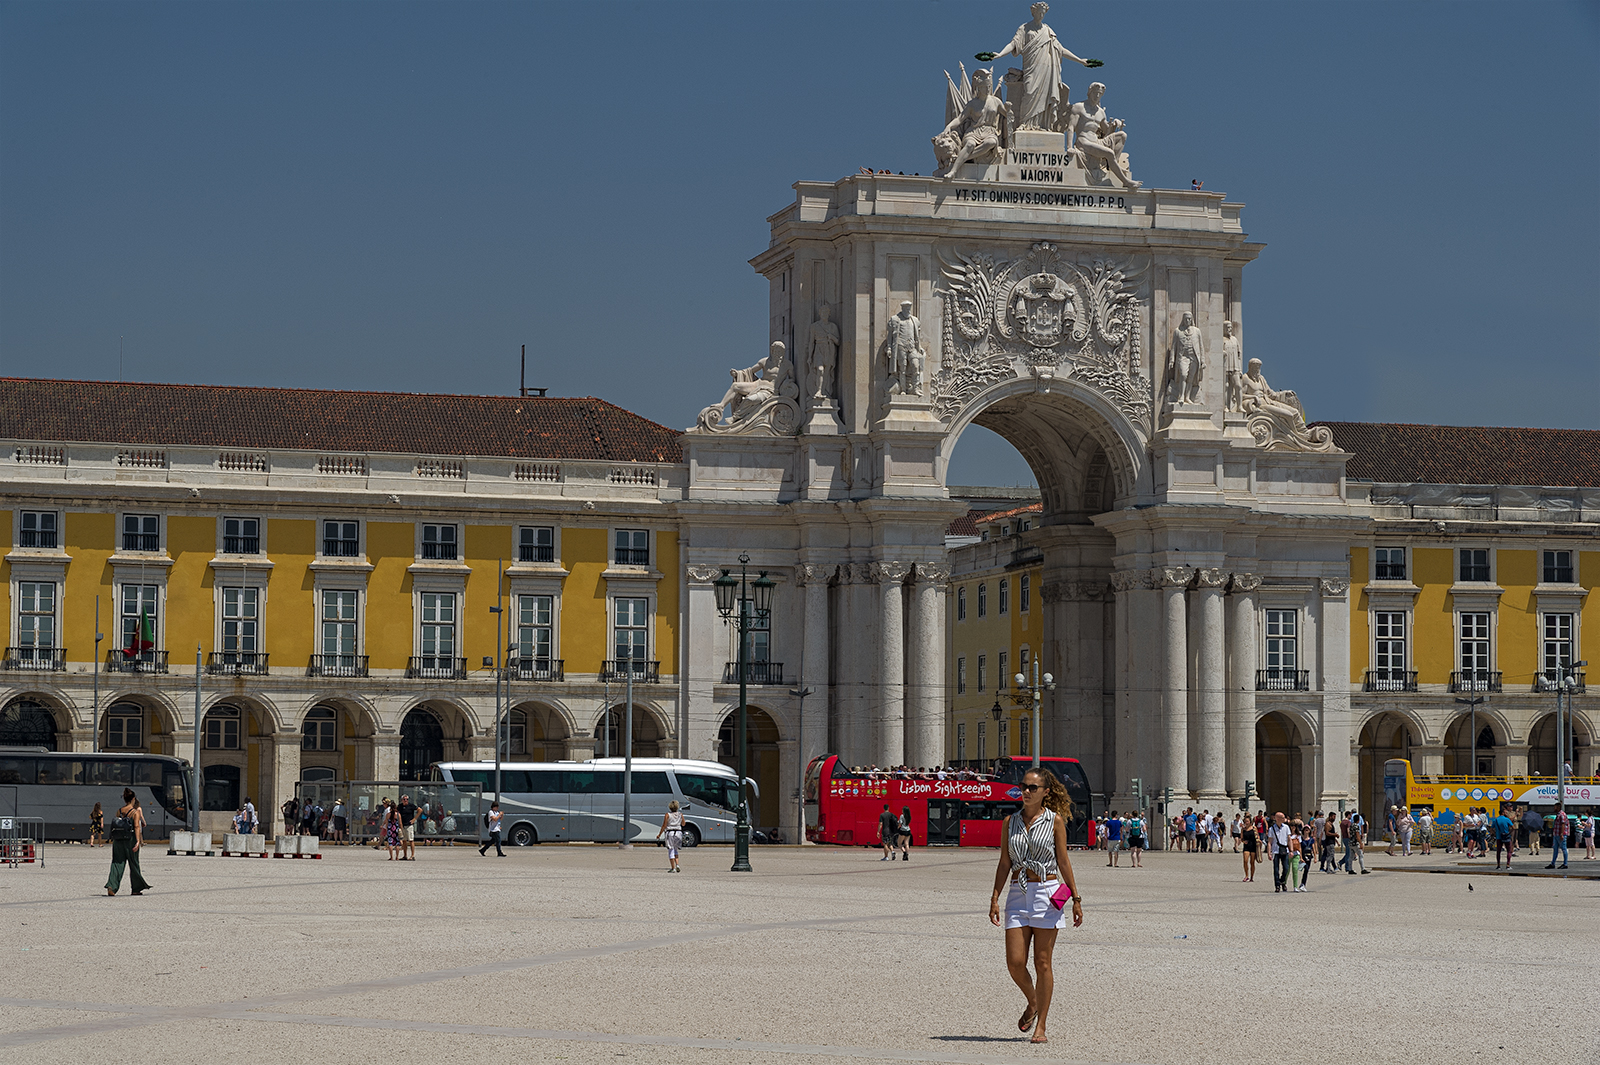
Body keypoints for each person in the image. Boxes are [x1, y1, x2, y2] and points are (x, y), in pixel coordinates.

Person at [989, 768, 1083, 1045]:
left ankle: (1041, 1025)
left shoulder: (1054, 821)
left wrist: (1076, 899)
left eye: (1032, 787)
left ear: (1046, 792)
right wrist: (994, 897)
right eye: (1023, 786)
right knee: (1015, 963)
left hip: (1047, 891)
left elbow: (1064, 861)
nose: (1026, 791)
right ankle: (1033, 1001)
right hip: (1018, 892)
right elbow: (1005, 861)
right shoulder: (1010, 822)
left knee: (1043, 963)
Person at [104, 788, 151, 897]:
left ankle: (112, 886)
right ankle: (136, 888)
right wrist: (138, 841)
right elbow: (136, 826)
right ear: (133, 799)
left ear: (124, 799)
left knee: (117, 863)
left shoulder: (119, 811)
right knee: (134, 863)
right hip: (130, 840)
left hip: (118, 840)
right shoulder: (135, 812)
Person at [657, 800, 685, 872]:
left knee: (671, 850)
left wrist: (659, 834)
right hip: (678, 832)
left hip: (670, 832)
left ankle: (673, 868)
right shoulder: (680, 814)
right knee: (676, 849)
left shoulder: (667, 815)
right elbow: (683, 824)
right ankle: (677, 864)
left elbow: (664, 825)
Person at [1267, 812, 1292, 892]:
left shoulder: (1286, 827)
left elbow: (1289, 839)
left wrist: (1291, 850)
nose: (1284, 819)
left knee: (1286, 868)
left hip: (1285, 850)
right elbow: (1269, 842)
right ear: (1278, 819)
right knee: (1276, 869)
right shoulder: (1272, 829)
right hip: (1276, 851)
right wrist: (1269, 853)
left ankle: (1282, 881)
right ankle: (1277, 885)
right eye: (1283, 817)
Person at [1547, 804, 1570, 870]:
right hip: (1556, 834)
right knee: (1555, 849)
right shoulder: (1558, 815)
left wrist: (1562, 834)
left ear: (1558, 807)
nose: (1554, 808)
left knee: (1564, 848)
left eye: (1555, 807)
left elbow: (1563, 824)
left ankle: (1565, 864)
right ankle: (1552, 863)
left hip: (1560, 834)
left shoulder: (1562, 814)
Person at [397, 794, 418, 860]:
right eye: (404, 799)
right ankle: (405, 855)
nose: (405, 801)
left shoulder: (411, 806)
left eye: (407, 799)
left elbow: (420, 810)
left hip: (409, 825)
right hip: (403, 825)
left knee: (411, 840)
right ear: (402, 800)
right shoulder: (400, 806)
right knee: (404, 841)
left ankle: (412, 855)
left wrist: (414, 819)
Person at [1240, 814, 1259, 883]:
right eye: (1245, 821)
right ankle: (1246, 875)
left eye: (1247, 821)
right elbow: (1241, 838)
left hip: (1253, 846)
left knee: (1252, 862)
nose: (1246, 823)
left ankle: (1252, 876)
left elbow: (1257, 836)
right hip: (1246, 846)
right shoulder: (1243, 829)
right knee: (1245, 861)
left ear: (1250, 822)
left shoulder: (1254, 828)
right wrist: (1243, 841)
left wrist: (1259, 841)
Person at [1287, 820, 1304, 893]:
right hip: (1288, 854)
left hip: (1296, 854)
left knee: (1295, 869)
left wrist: (1301, 857)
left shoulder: (1298, 835)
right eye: (1291, 826)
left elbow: (1300, 847)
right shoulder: (1287, 835)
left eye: (1294, 826)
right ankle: (1284, 883)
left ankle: (1295, 886)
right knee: (1287, 870)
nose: (1293, 827)